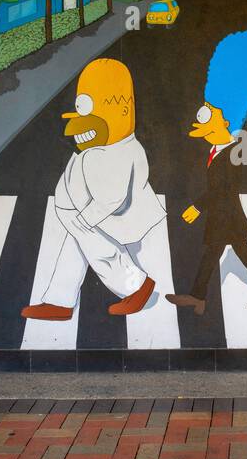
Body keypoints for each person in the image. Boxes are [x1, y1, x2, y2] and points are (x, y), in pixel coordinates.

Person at [21, 58, 163, 321]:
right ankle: (60, 301)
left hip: (91, 216)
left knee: (103, 253)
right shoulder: (99, 148)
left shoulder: (119, 151)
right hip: (77, 214)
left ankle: (137, 286)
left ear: (122, 109)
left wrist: (86, 218)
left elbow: (112, 197)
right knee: (74, 252)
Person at [167, 30, 247, 314]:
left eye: (209, 115)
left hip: (226, 214)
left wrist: (198, 206)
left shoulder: (232, 153)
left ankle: (204, 297)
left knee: (222, 253)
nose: (202, 121)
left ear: (225, 121)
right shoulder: (219, 150)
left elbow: (222, 188)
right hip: (224, 214)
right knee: (222, 254)